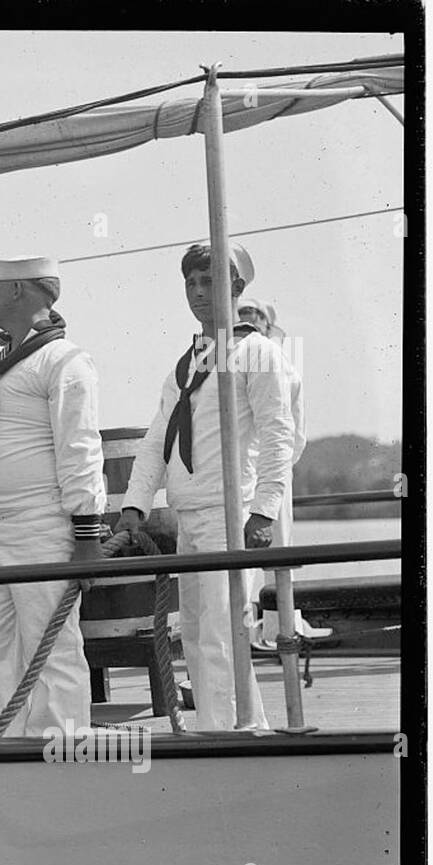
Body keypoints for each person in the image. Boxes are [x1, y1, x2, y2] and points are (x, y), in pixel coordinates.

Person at [118, 244, 295, 731]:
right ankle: (223, 728)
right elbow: (158, 441)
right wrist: (135, 503)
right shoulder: (187, 365)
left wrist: (264, 510)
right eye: (191, 284)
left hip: (229, 513)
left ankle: (237, 733)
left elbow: (279, 434)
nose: (198, 293)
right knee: (195, 633)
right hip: (189, 518)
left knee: (225, 631)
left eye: (209, 282)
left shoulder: (256, 353)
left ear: (236, 289)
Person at [0, 256, 105, 738]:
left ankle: (58, 755)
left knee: (51, 648)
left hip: (41, 524)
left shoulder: (64, 362)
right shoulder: (0, 365)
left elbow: (80, 449)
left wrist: (86, 537)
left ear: (19, 291)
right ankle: (0, 749)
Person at [236, 296, 331, 648]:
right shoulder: (230, 363)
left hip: (272, 475)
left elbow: (296, 429)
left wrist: (278, 472)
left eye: (255, 316)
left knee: (280, 554)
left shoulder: (282, 364)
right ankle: (247, 632)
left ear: (267, 324)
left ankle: (281, 628)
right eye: (242, 314)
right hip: (242, 476)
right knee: (242, 560)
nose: (248, 320)